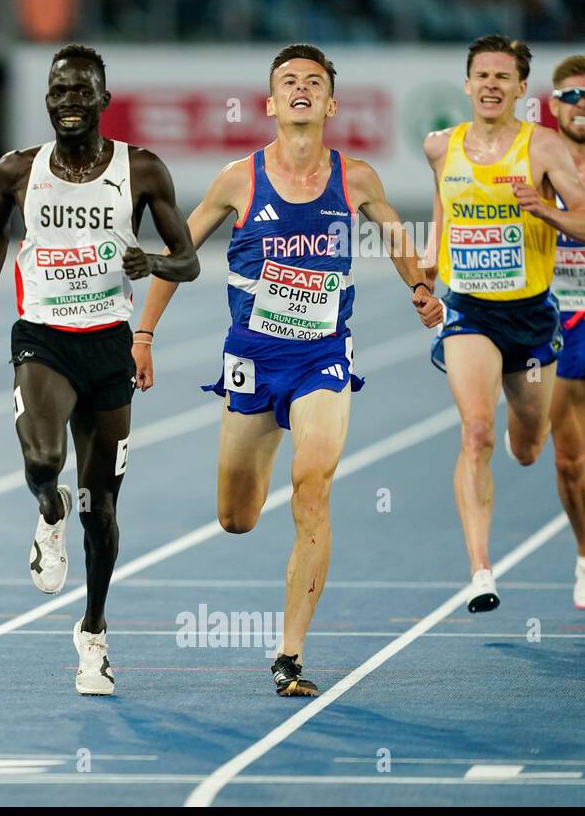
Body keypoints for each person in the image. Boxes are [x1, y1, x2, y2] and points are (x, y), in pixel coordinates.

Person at [132, 44, 443, 697]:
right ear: (272, 104)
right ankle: (265, 444)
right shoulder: (237, 180)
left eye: (314, 82)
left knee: (314, 488)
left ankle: (290, 656)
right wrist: (144, 333)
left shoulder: (354, 177)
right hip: (251, 360)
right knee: (236, 517)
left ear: (330, 104)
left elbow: (393, 233)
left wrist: (419, 286)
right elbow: (177, 255)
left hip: (322, 356)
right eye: (288, 82)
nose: (301, 89)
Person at [0, 43, 198, 696]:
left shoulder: (142, 171)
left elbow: (189, 259)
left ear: (103, 100)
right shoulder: (17, 170)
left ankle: (92, 634)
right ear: (46, 99)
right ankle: (46, 508)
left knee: (104, 509)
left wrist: (152, 264)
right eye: (58, 91)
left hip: (108, 349)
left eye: (80, 91)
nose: (68, 102)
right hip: (43, 338)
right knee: (43, 461)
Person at [424, 35, 585, 613]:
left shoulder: (542, 148)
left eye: (503, 77)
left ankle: (527, 438)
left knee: (526, 446)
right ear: (467, 85)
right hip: (470, 310)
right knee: (476, 432)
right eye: (481, 75)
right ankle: (481, 571)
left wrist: (541, 208)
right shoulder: (441, 147)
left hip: (533, 318)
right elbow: (442, 215)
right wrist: (425, 278)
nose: (491, 85)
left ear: (521, 90)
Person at [543, 54, 585, 608]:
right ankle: (583, 553)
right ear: (554, 106)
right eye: (573, 97)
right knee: (570, 460)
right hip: (557, 321)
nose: (583, 107)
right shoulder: (533, 159)